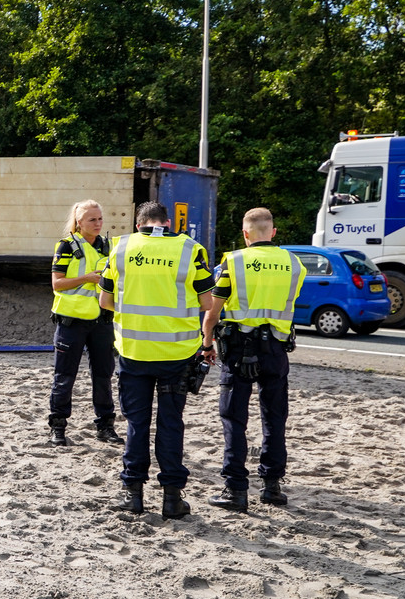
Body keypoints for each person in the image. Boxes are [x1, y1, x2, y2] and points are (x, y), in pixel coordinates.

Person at [98, 202, 215, 519]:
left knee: (137, 424)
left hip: (134, 353)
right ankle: (172, 499)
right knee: (171, 424)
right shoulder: (190, 249)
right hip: (176, 355)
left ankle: (133, 495)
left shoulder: (121, 247)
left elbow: (105, 300)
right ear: (168, 222)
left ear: (139, 225)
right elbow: (207, 300)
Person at [200, 207, 306, 512]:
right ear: (273, 233)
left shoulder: (233, 261)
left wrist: (207, 344)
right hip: (276, 349)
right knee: (275, 416)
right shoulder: (294, 264)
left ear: (245, 234)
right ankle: (272, 486)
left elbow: (214, 311)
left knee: (234, 417)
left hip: (238, 349)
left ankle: (235, 489)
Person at [47, 200, 121, 446]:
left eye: (100, 218)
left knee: (103, 375)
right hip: (72, 322)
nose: (98, 224)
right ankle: (58, 427)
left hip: (102, 321)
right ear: (79, 222)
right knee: (64, 376)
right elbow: (57, 283)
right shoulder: (66, 246)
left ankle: (105, 426)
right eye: (92, 219)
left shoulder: (108, 246)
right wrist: (86, 278)